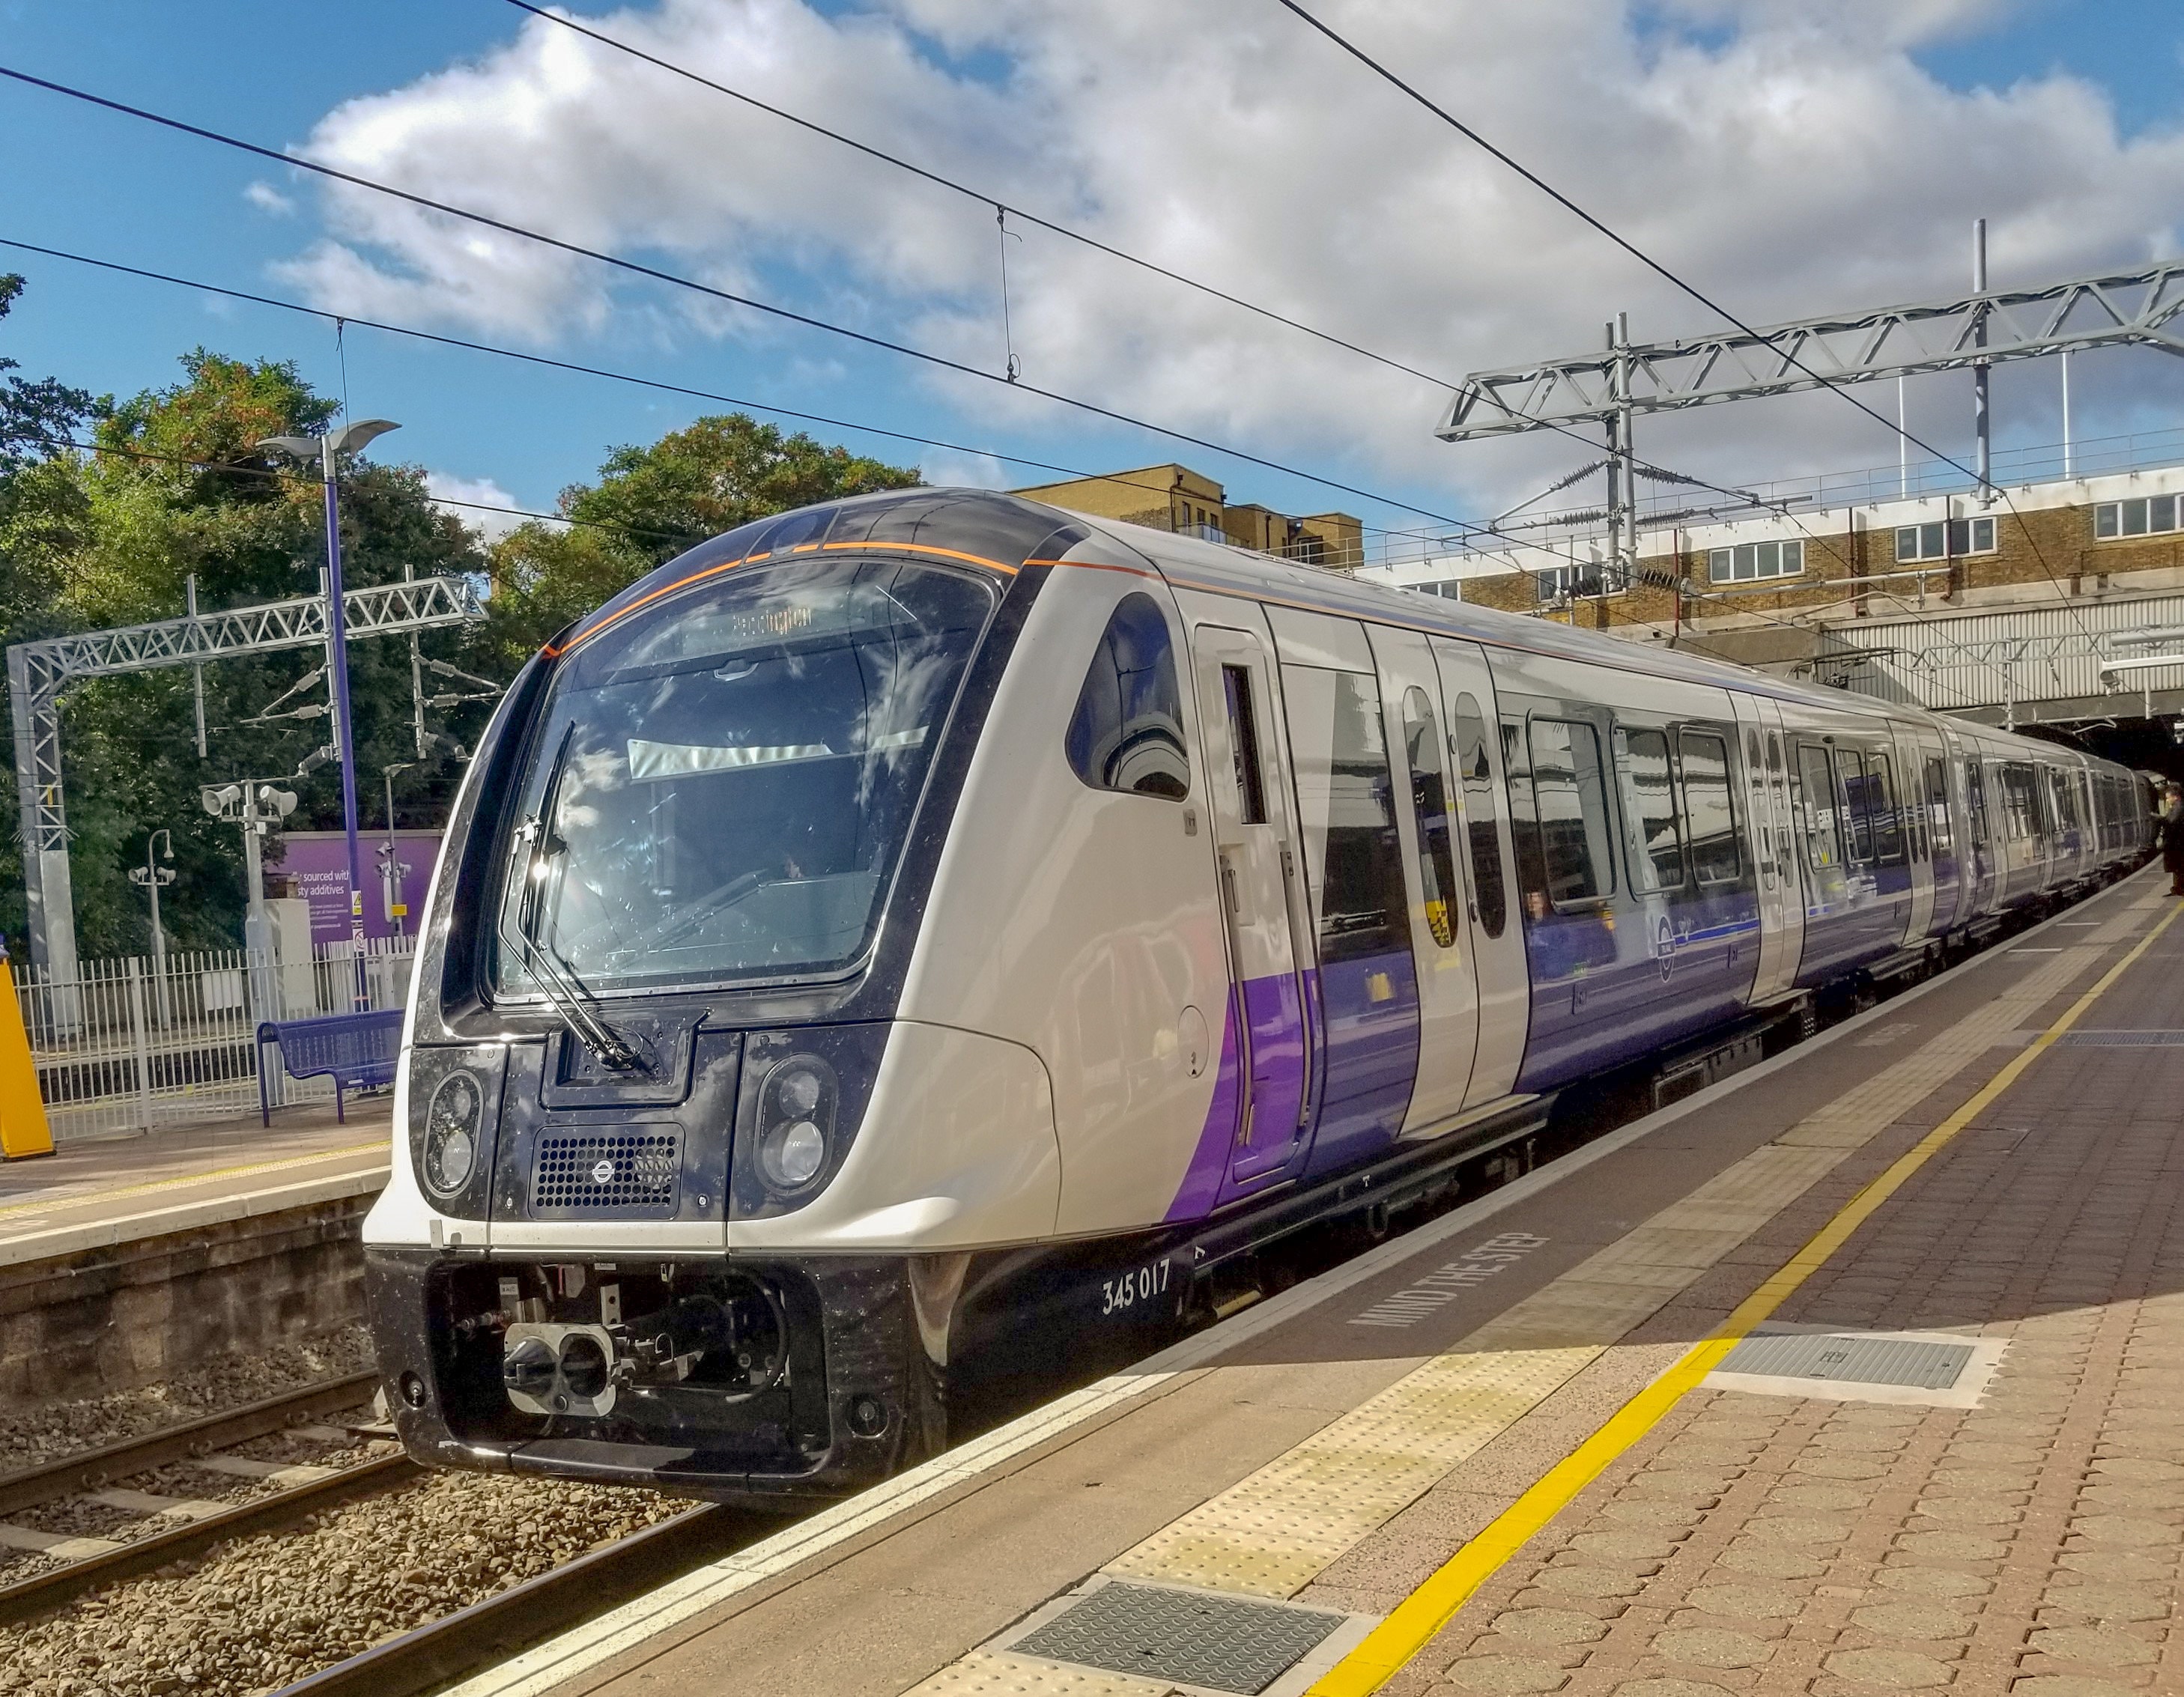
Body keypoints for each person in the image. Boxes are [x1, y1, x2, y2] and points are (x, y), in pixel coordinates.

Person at [2163, 784, 2184, 897]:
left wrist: (2160, 819)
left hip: (2177, 845)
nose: (2167, 800)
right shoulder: (2177, 807)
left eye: (2168, 797)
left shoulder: (2178, 808)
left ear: (2176, 797)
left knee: (2179, 868)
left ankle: (2179, 888)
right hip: (2177, 844)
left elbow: (2171, 823)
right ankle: (2177, 888)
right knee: (2178, 868)